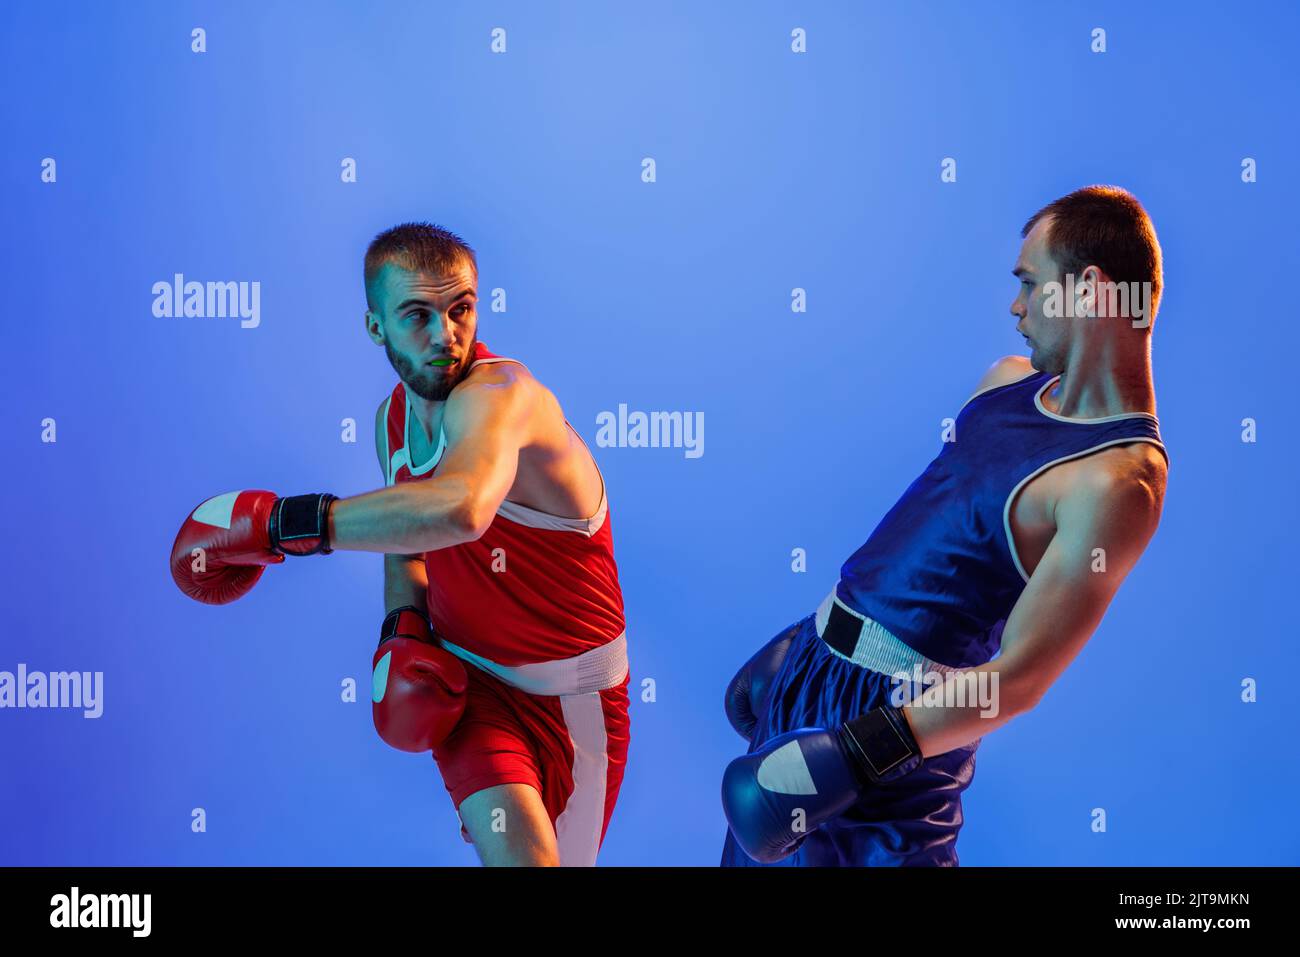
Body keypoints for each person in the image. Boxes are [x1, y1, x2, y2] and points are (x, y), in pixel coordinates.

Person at [721, 186, 1169, 866]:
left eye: (1029, 283)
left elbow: (1018, 678)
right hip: (816, 674)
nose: (1015, 307)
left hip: (900, 732)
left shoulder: (1117, 481)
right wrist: (817, 637)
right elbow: (927, 533)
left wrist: (857, 750)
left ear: (1090, 291)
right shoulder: (1006, 382)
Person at [170, 223, 630, 867]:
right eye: (417, 315)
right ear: (376, 327)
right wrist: (404, 626)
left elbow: (461, 508)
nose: (445, 335)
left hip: (572, 698)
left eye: (460, 309)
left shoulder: (505, 399)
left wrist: (283, 524)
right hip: (469, 683)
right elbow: (410, 542)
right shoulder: (390, 423)